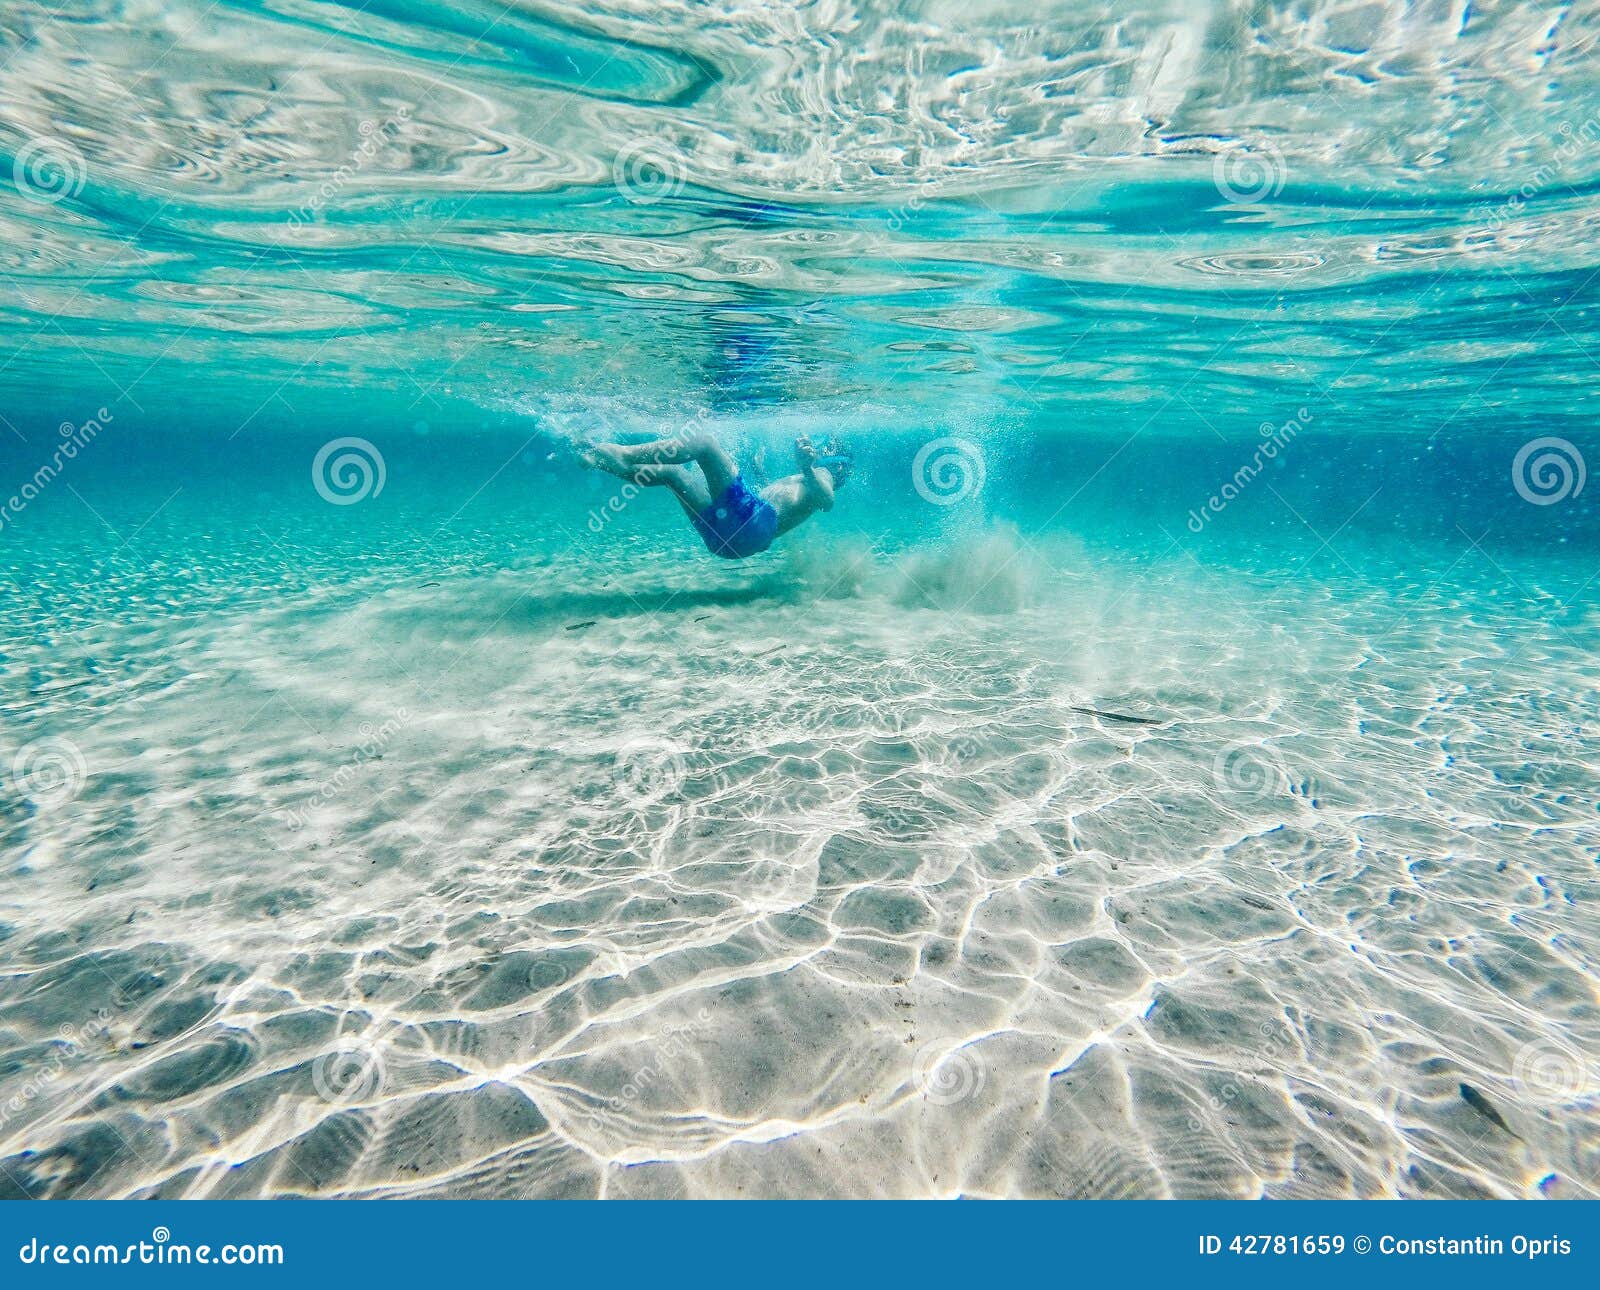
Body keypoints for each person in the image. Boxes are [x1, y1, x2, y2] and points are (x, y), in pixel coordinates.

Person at [583, 432, 851, 559]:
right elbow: (780, 499)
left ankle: (623, 454)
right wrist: (758, 467)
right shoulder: (806, 483)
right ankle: (600, 461)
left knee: (705, 445)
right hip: (733, 544)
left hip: (751, 525)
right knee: (673, 475)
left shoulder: (822, 475)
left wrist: (808, 466)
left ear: (835, 465)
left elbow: (827, 501)